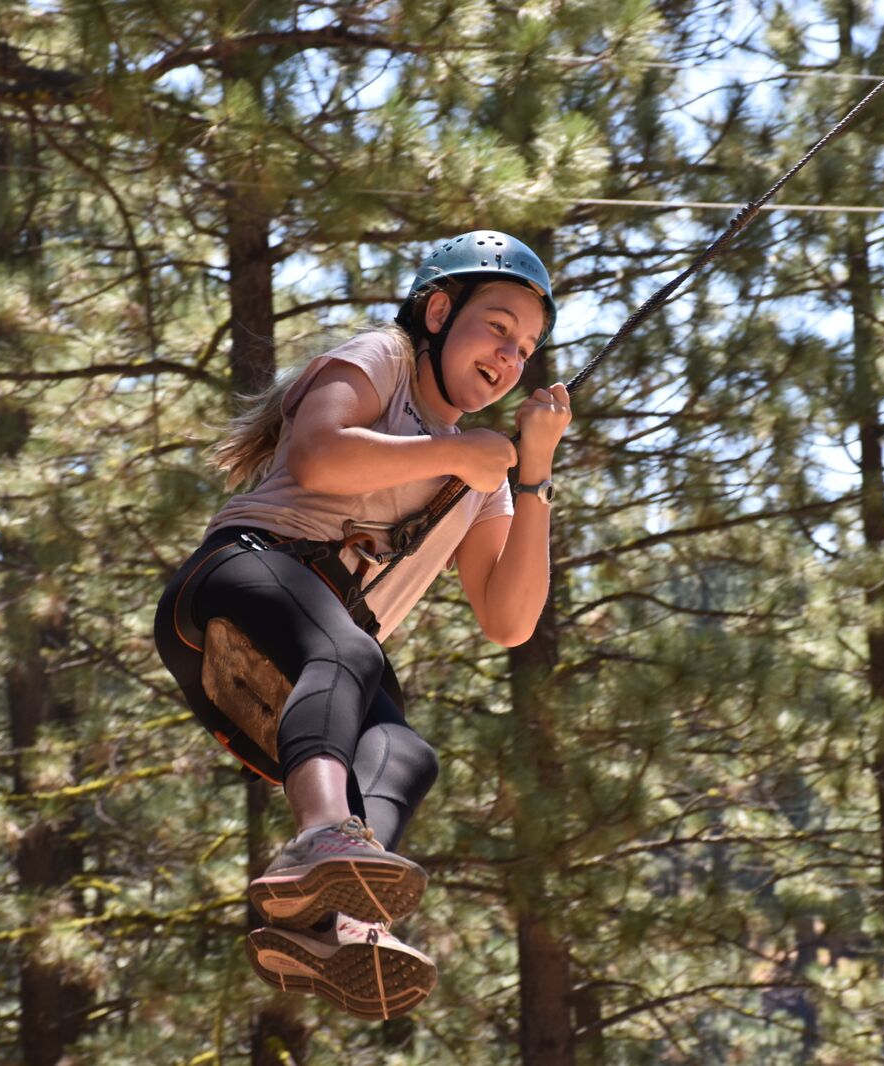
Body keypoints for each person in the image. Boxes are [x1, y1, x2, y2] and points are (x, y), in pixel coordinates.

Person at [153, 231, 572, 1021]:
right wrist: (455, 459)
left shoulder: (480, 476)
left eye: (527, 349)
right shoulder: (384, 357)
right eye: (497, 327)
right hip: (239, 578)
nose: (511, 358)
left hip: (311, 663)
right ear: (439, 312)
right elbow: (316, 458)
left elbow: (509, 619)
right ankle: (322, 836)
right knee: (349, 649)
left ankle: (326, 921)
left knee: (404, 750)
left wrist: (534, 473)